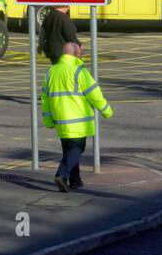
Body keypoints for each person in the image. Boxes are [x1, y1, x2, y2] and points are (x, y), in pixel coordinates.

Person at [41, 41, 113, 192]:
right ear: (75, 54)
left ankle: (74, 180)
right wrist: (106, 110)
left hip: (60, 121)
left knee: (69, 151)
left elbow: (45, 99)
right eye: (81, 53)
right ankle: (61, 174)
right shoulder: (79, 71)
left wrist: (48, 120)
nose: (82, 56)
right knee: (77, 149)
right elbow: (94, 94)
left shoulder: (51, 72)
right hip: (78, 121)